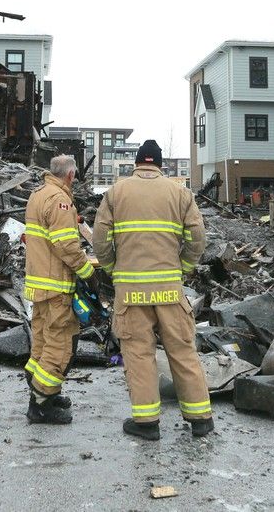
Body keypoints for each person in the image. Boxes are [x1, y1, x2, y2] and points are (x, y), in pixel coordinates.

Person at [93, 139, 212, 440]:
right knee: (183, 351)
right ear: (160, 164)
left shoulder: (116, 192)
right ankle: (201, 419)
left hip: (131, 293)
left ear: (136, 162)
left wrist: (112, 268)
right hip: (170, 291)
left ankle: (146, 423)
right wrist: (183, 267)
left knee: (138, 354)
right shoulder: (180, 193)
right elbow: (198, 238)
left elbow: (100, 239)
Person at [22, 154, 97, 424]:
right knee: (61, 345)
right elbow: (66, 245)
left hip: (39, 285)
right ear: (70, 175)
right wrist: (88, 272)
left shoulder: (38, 195)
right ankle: (41, 404)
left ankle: (43, 391)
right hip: (56, 287)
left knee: (41, 342)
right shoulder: (61, 201)